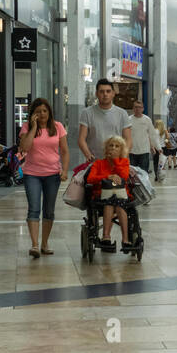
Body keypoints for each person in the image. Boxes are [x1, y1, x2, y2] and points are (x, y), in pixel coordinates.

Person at [18, 98, 69, 258]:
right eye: (38, 111)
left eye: (45, 111)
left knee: (49, 210)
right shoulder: (27, 127)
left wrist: (65, 170)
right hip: (32, 174)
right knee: (33, 208)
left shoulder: (58, 126)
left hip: (52, 174)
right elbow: (24, 148)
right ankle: (34, 245)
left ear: (49, 112)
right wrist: (33, 128)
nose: (42, 114)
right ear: (33, 114)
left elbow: (65, 151)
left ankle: (45, 243)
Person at [87, 135, 133, 253]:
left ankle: (125, 239)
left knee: (118, 203)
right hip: (102, 195)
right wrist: (107, 176)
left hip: (120, 195)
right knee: (110, 202)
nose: (113, 148)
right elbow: (90, 179)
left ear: (121, 150)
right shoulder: (99, 163)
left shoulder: (124, 162)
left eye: (117, 146)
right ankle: (106, 236)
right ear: (106, 149)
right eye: (111, 146)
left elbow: (124, 176)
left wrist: (116, 161)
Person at [78, 79, 132, 163]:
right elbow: (81, 139)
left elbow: (128, 139)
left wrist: (123, 156)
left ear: (113, 94)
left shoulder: (122, 113)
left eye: (108, 91)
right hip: (95, 162)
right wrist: (88, 155)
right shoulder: (87, 113)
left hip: (117, 162)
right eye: (102, 91)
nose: (105, 94)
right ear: (97, 94)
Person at [128, 98, 160, 175]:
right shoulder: (128, 119)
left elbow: (152, 135)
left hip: (144, 151)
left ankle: (144, 187)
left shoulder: (147, 120)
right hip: (132, 151)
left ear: (143, 109)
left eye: (139, 107)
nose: (137, 109)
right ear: (133, 108)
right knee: (132, 174)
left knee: (144, 174)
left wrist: (158, 147)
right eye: (136, 107)